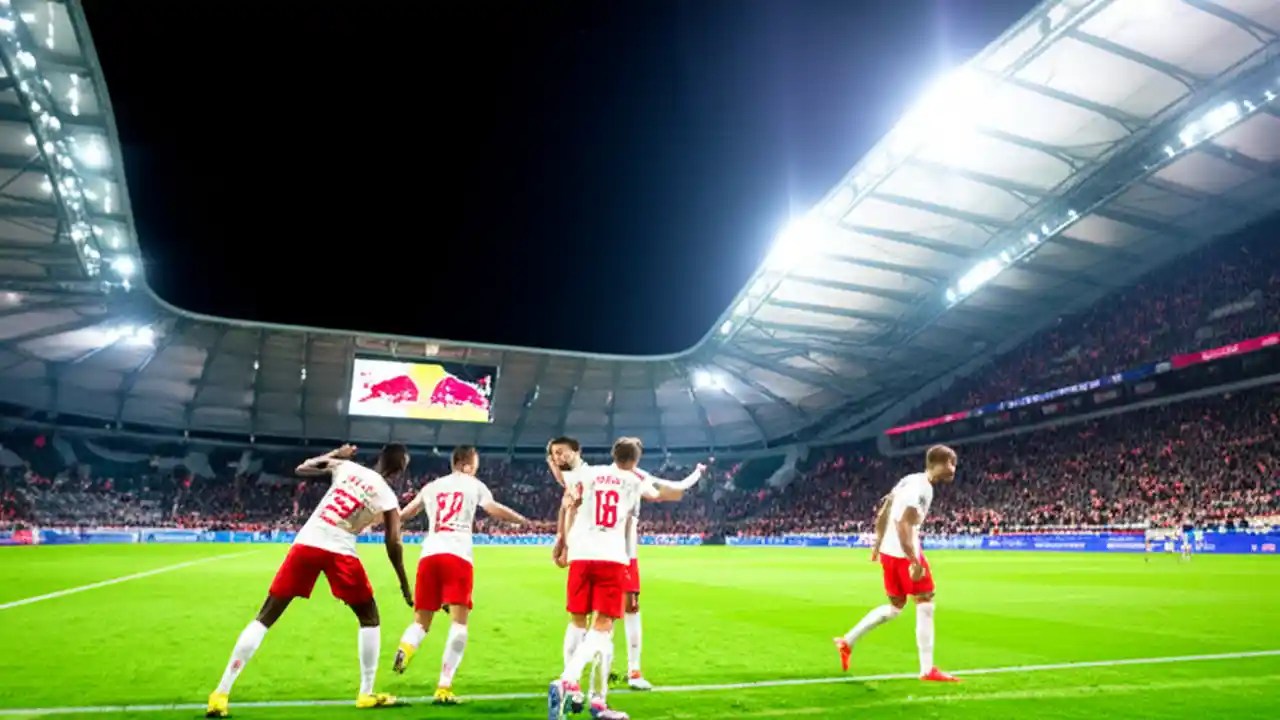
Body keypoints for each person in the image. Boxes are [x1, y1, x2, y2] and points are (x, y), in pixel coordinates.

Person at [206, 444, 412, 718]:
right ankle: (366, 692)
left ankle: (220, 693)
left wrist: (336, 454)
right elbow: (394, 542)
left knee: (265, 617)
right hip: (340, 550)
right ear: (399, 471)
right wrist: (403, 582)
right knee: (369, 617)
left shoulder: (346, 467)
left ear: (379, 459)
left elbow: (303, 468)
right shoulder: (388, 497)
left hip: (308, 542)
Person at [392, 446, 528, 704]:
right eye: (475, 464)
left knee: (421, 622)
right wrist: (520, 520)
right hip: (457, 556)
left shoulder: (431, 487)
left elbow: (404, 514)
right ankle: (444, 687)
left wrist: (378, 521)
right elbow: (492, 508)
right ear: (466, 463)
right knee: (459, 624)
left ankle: (405, 648)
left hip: (429, 555)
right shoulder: (473, 485)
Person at [548, 437, 659, 720]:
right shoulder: (634, 482)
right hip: (612, 557)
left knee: (577, 622)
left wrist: (562, 542)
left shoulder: (589, 473)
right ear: (636, 459)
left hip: (581, 557)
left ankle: (583, 697)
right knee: (604, 629)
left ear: (612, 453)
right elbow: (634, 525)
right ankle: (572, 683)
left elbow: (567, 504)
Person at [833, 444, 959, 683]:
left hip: (889, 553)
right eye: (951, 464)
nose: (954, 469)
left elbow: (885, 510)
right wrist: (914, 560)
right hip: (904, 554)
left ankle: (847, 641)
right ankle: (927, 669)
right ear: (938, 464)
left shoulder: (907, 481)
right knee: (926, 603)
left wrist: (878, 543)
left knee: (895, 607)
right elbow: (902, 524)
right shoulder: (921, 489)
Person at [610, 461, 706, 691]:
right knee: (630, 609)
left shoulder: (601, 475)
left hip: (605, 553)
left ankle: (605, 670)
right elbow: (672, 488)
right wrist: (697, 473)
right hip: (624, 556)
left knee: (607, 613)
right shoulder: (636, 477)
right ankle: (632, 671)